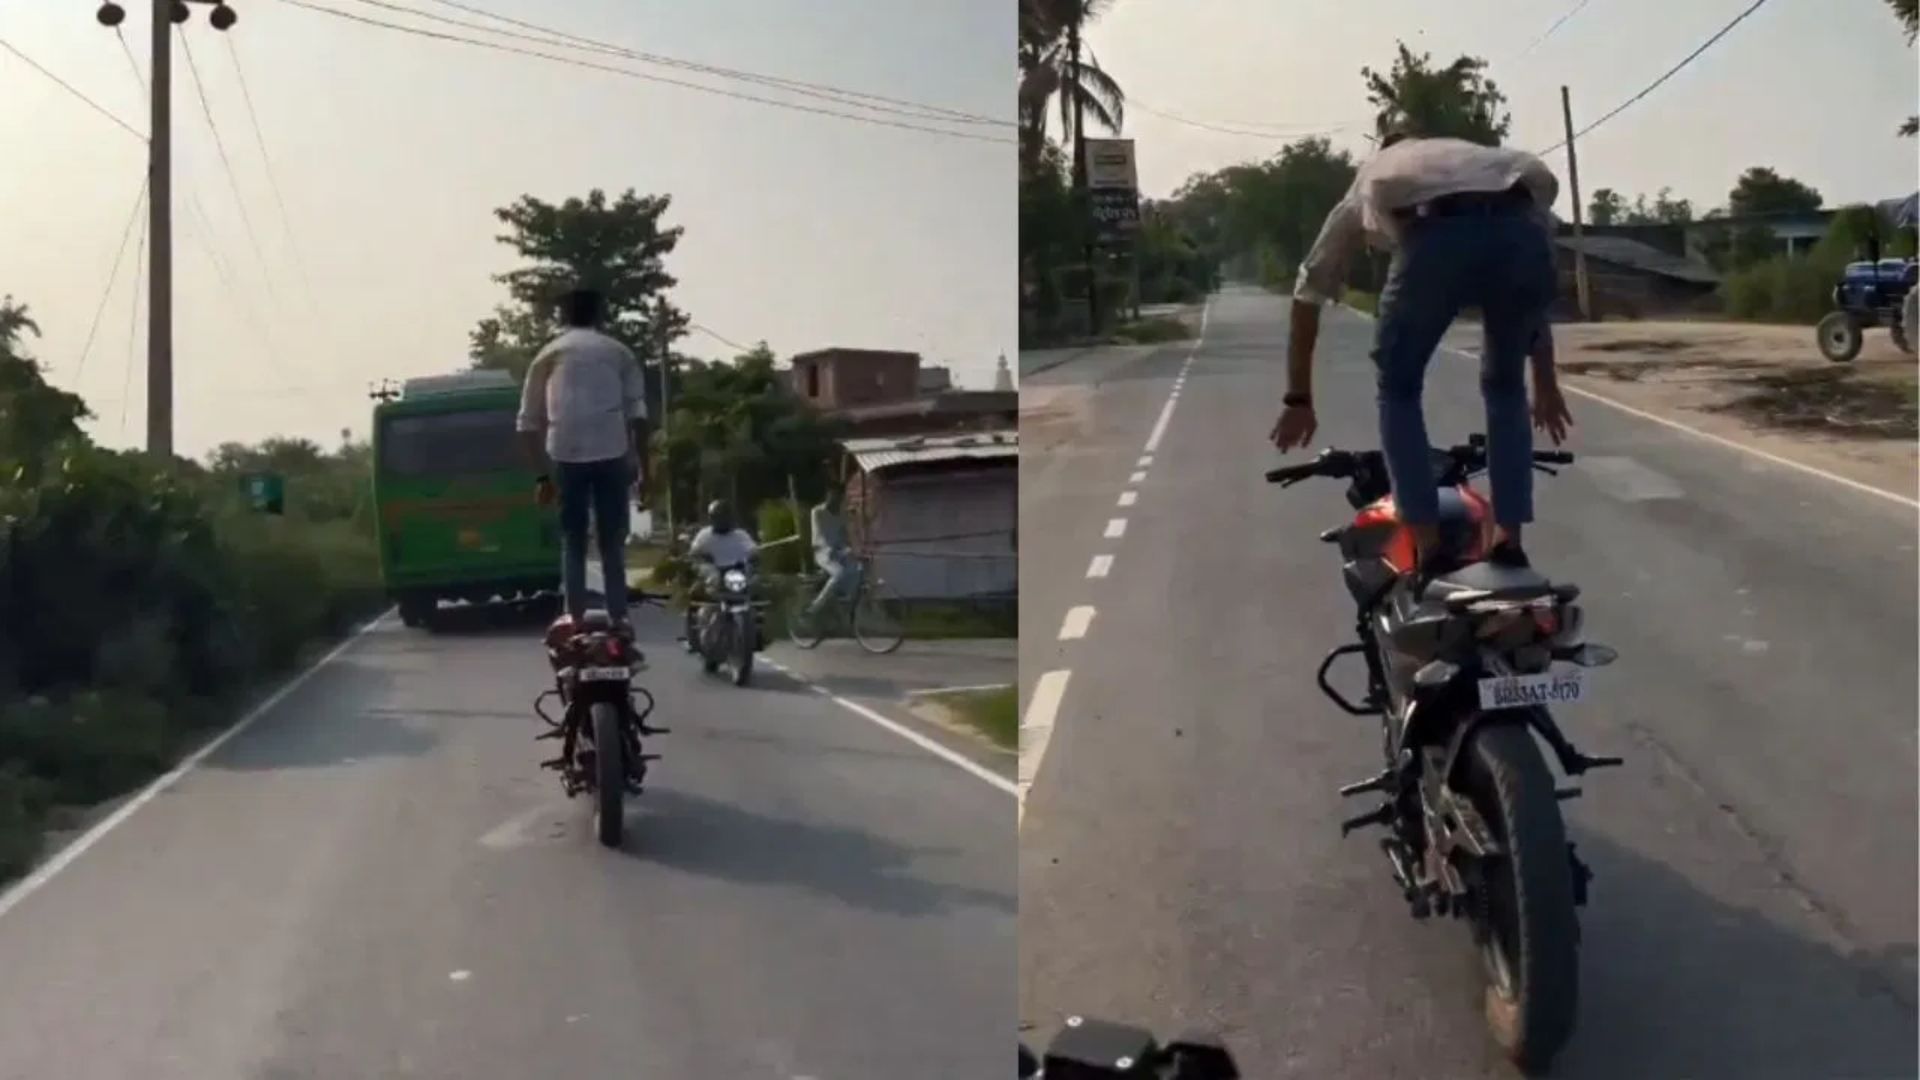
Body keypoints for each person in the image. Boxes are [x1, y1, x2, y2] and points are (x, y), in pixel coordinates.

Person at [1271, 114, 1575, 575]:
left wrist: (1298, 397)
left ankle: (1429, 548)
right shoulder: (1467, 156)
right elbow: (1528, 289)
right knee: (1505, 387)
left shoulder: (1375, 174)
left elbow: (1308, 292)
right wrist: (1546, 382)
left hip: (1440, 234)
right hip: (1524, 227)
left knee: (1398, 388)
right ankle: (1508, 542)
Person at [515, 286, 650, 631]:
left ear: (563, 317)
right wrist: (644, 469)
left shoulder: (547, 355)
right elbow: (638, 415)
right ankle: (619, 616)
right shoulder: (618, 352)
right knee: (611, 542)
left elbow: (526, 424)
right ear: (599, 316)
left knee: (572, 541)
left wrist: (542, 478)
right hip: (612, 452)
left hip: (564, 454)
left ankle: (574, 619)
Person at [684, 500, 759, 646]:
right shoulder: (705, 535)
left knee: (757, 585)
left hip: (735, 572)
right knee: (698, 589)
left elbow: (752, 550)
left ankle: (756, 630)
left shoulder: (740, 535)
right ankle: (693, 634)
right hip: (713, 572)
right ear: (712, 518)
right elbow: (694, 553)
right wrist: (701, 556)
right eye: (718, 517)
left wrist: (755, 555)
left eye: (725, 516)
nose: (722, 520)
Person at [806, 486, 862, 617]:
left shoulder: (841, 515)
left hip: (838, 551)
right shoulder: (817, 512)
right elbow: (819, 534)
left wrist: (852, 548)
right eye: (834, 497)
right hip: (822, 552)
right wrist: (830, 548)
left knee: (857, 569)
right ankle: (815, 607)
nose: (836, 501)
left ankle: (846, 602)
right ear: (829, 496)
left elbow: (845, 535)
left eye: (839, 498)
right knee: (838, 573)